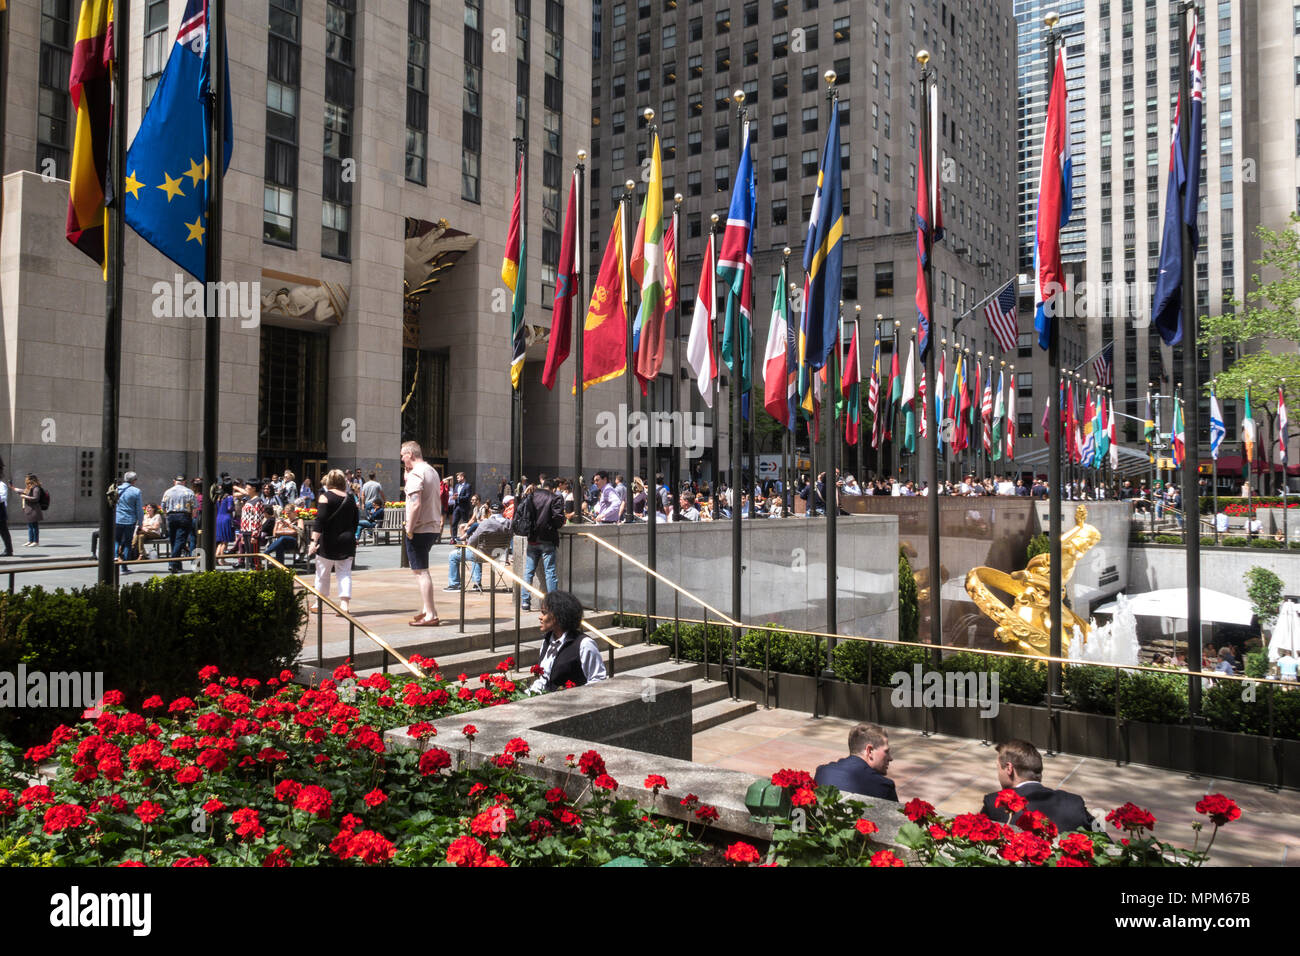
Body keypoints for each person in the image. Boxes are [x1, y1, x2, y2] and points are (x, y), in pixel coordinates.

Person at [980, 739, 1093, 833]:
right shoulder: (1074, 803)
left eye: (998, 767)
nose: (998, 773)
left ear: (1009, 768)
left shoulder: (994, 803)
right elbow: (1106, 847)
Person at [528, 589, 608, 694]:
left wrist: (572, 696)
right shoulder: (547, 642)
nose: (540, 617)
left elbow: (598, 680)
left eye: (544, 613)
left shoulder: (584, 644)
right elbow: (544, 679)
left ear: (558, 615)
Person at [401, 440, 443, 626]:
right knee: (422, 569)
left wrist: (409, 528)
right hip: (432, 525)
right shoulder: (431, 471)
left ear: (410, 454)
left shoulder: (416, 474)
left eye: (403, 455)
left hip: (420, 527)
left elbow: (416, 503)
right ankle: (427, 609)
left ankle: (430, 614)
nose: (402, 459)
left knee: (420, 571)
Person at [307, 470, 359, 614]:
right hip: (347, 540)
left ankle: (319, 603)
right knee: (344, 573)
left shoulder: (325, 497)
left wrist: (313, 541)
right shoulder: (350, 499)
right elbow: (355, 522)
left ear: (328, 481)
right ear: (343, 482)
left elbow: (320, 521)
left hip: (329, 540)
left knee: (323, 572)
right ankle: (344, 605)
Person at [812, 723, 898, 801]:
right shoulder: (884, 786)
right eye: (886, 752)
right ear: (870, 751)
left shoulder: (822, 772)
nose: (890, 758)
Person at [519, 478, 566, 610]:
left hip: (532, 538)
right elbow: (558, 519)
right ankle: (552, 603)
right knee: (550, 572)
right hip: (547, 539)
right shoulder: (555, 498)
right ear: (552, 488)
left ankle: (525, 601)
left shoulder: (532, 495)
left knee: (528, 572)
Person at [446, 501, 510, 592]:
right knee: (477, 552)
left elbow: (471, 542)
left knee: (453, 555)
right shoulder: (509, 523)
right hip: (499, 556)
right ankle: (477, 583)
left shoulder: (485, 523)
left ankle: (455, 584)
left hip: (482, 555)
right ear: (503, 510)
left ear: (490, 510)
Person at [161, 474, 196, 573]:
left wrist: (166, 516)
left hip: (171, 516)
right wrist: (191, 518)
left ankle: (176, 564)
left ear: (174, 481)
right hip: (184, 515)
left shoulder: (168, 492)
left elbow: (163, 506)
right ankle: (173, 563)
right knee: (180, 540)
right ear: (184, 482)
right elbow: (194, 508)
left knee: (173, 540)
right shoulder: (189, 491)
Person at [112, 471, 142, 566]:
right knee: (128, 543)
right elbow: (139, 509)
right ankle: (124, 566)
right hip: (130, 520)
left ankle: (115, 556)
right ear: (134, 480)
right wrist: (140, 523)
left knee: (116, 539)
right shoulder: (136, 491)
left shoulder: (117, 489)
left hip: (117, 519)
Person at [214, 480, 236, 565]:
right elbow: (229, 508)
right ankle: (222, 560)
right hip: (226, 518)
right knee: (225, 541)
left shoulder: (219, 497)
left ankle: (216, 558)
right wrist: (234, 507)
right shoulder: (229, 497)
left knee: (220, 541)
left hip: (218, 518)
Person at [449, 472, 472, 544]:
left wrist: (458, 497)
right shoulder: (456, 486)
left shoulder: (468, 486)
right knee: (454, 523)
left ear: (462, 477)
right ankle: (454, 538)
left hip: (464, 507)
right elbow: (455, 494)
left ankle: (465, 538)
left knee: (465, 523)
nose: (457, 479)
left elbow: (467, 496)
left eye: (458, 477)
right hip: (457, 507)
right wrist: (454, 497)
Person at [0, 460, 13, 556]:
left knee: (4, 531)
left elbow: (3, 497)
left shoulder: (1, 485)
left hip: (0, 512)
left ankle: (9, 550)